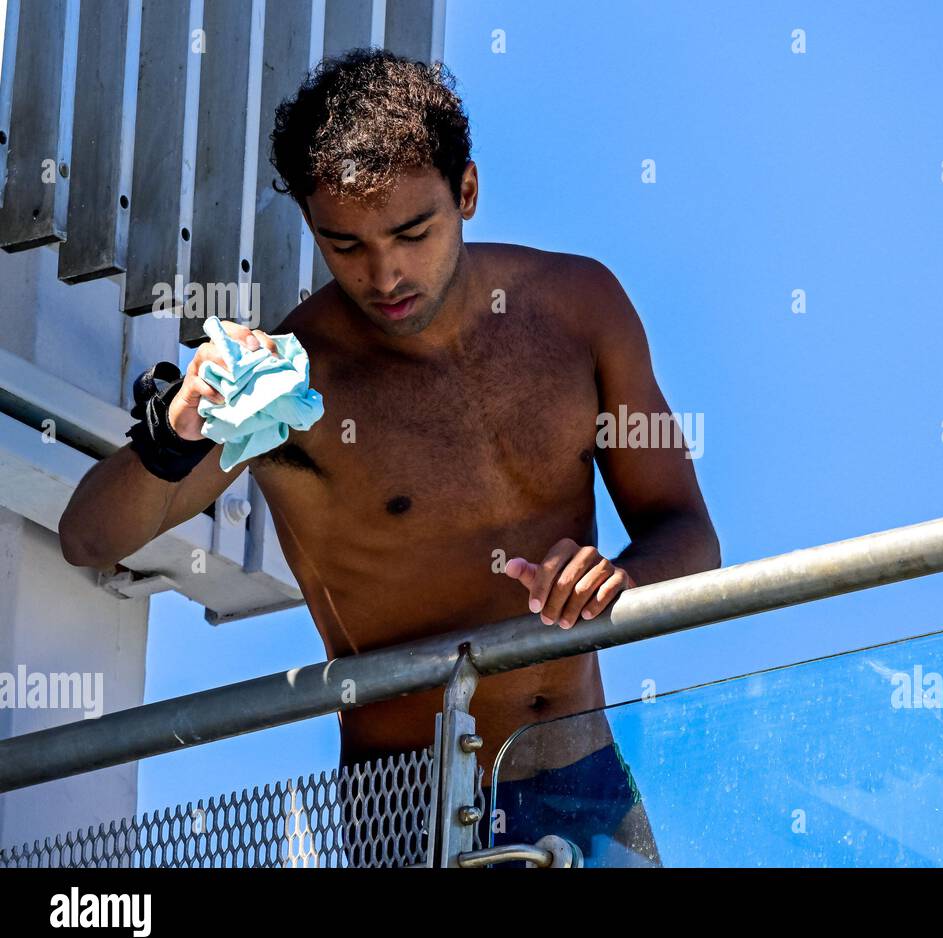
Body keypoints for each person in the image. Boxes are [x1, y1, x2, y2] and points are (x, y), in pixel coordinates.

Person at [59, 48, 719, 867]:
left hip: (585, 774)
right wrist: (177, 428)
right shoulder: (294, 380)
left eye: (413, 232)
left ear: (467, 191)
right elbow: (89, 537)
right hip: (411, 800)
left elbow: (687, 533)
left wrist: (617, 581)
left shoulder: (580, 310)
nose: (385, 273)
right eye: (345, 245)